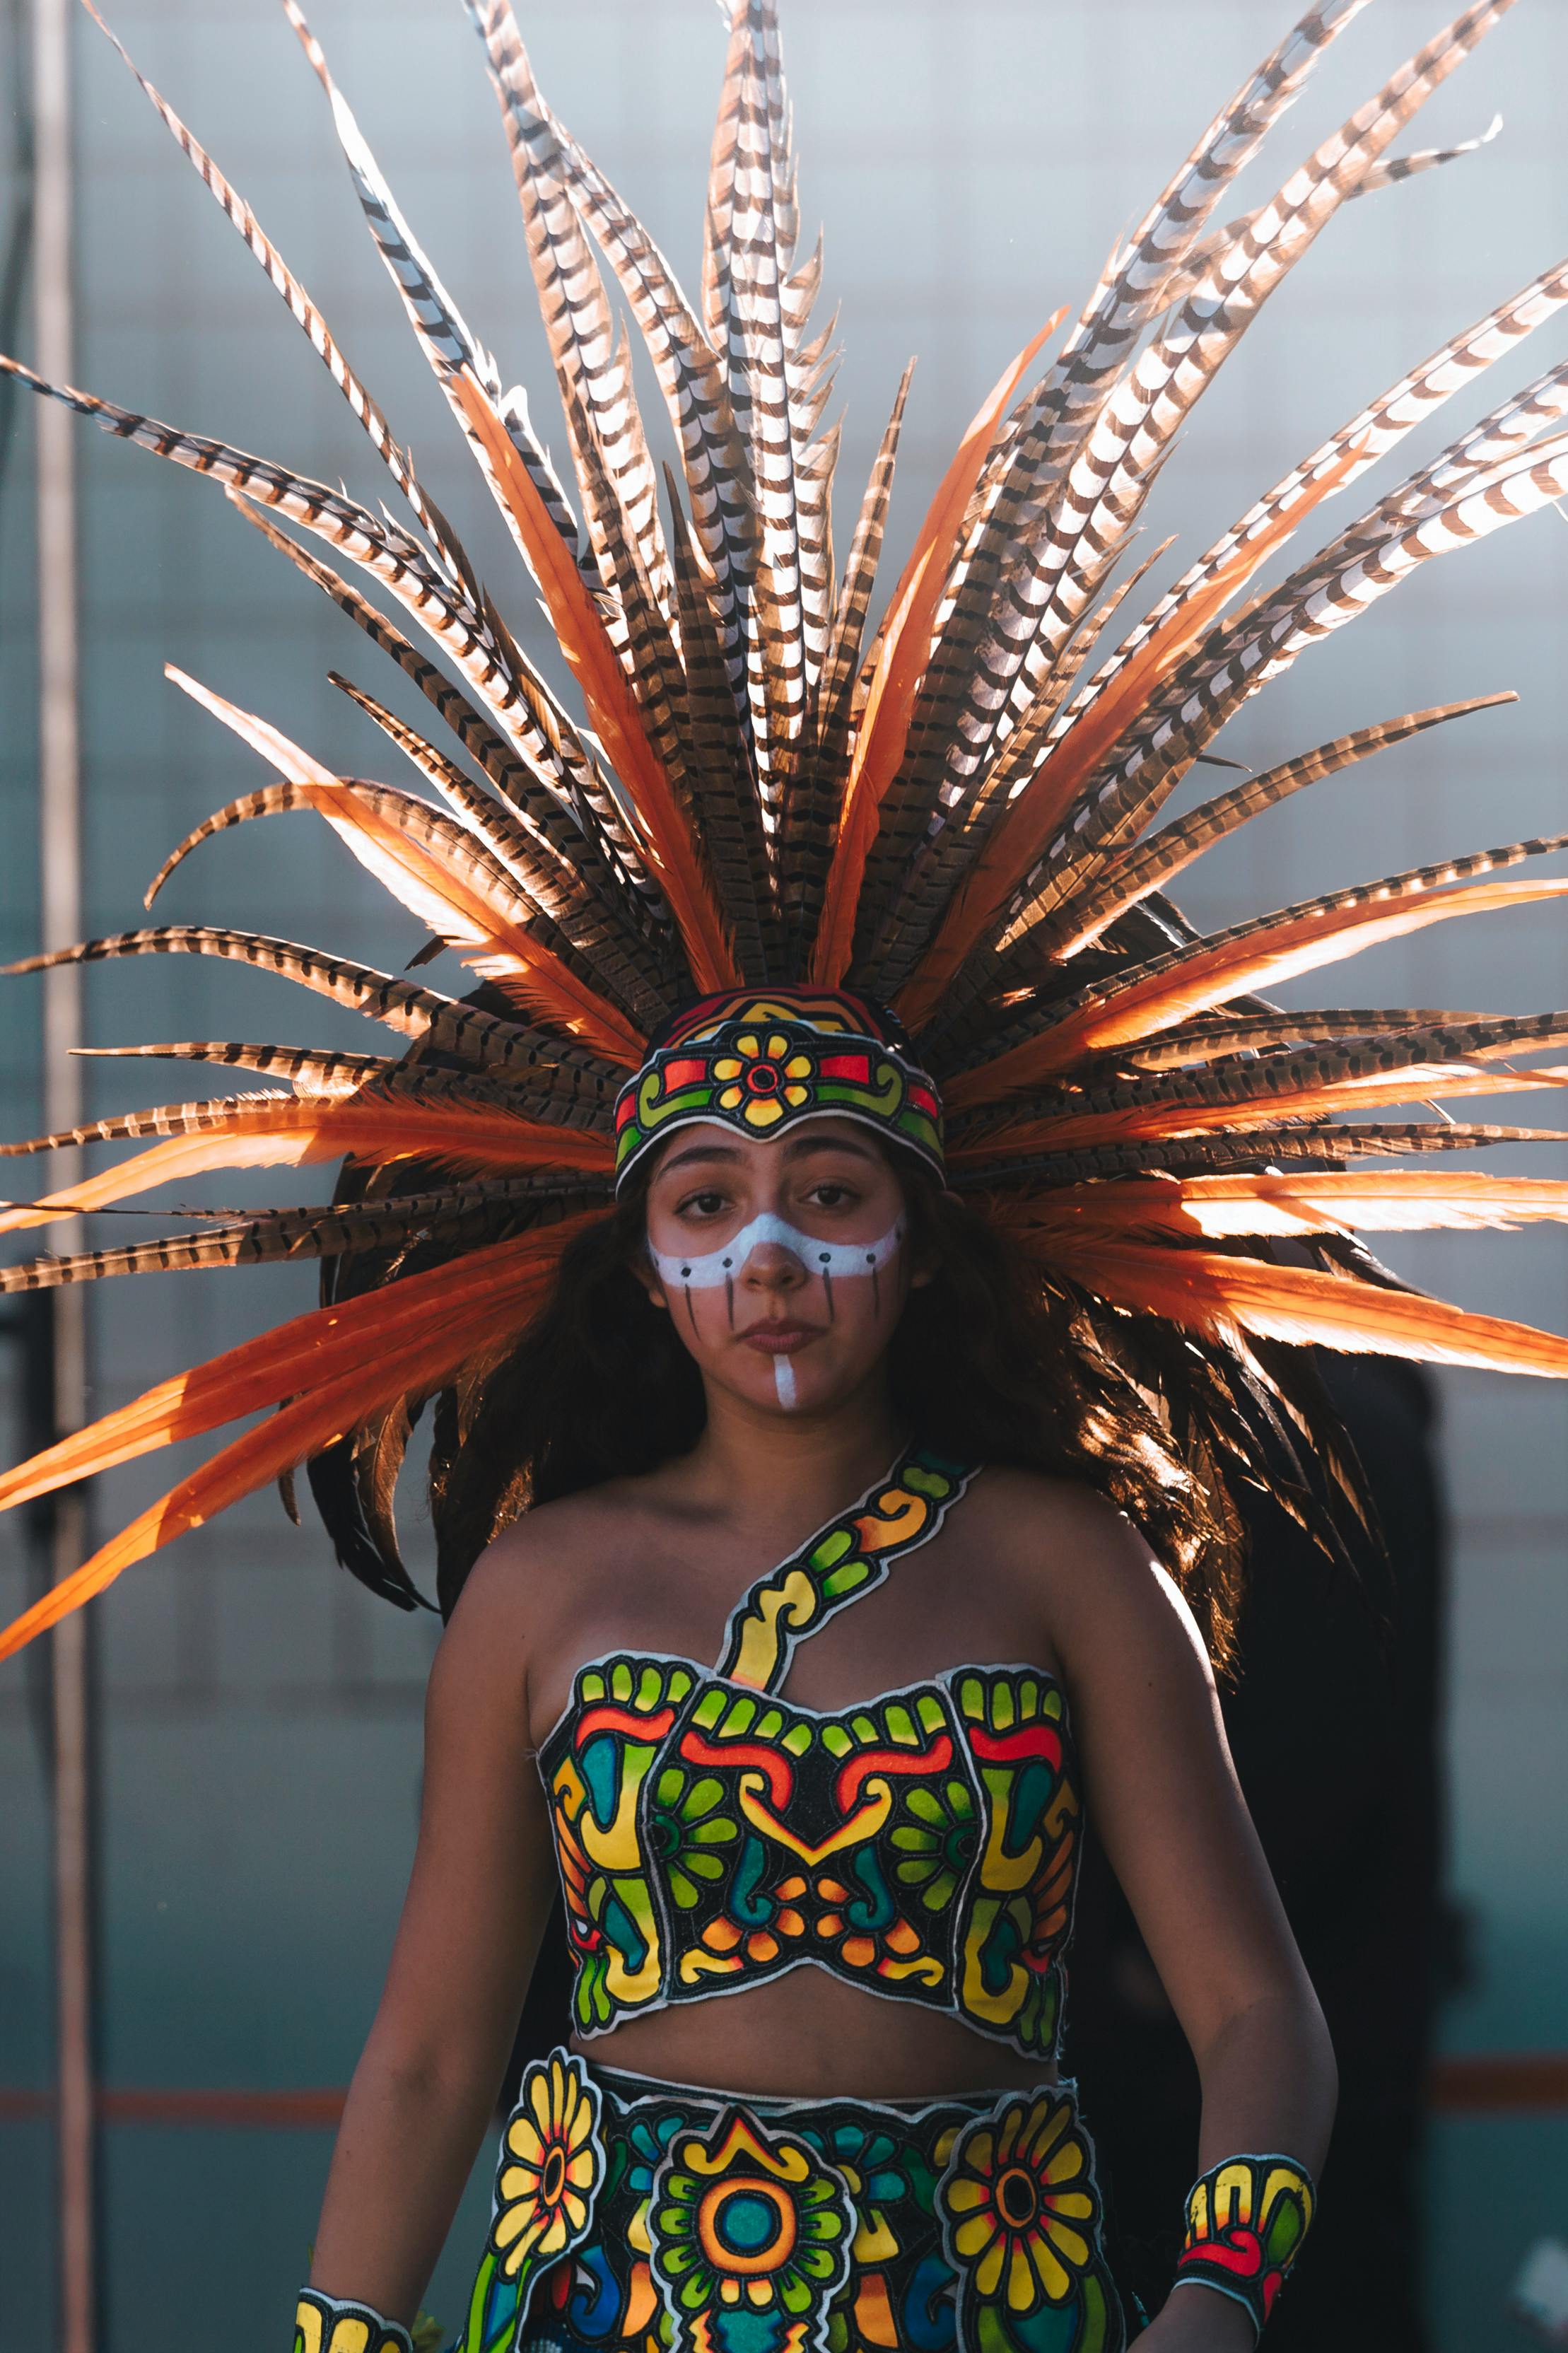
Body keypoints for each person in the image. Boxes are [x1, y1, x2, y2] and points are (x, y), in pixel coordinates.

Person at [1, 4, 1565, 2349]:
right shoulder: (544, 1591)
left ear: (918, 1231)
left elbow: (1261, 2017)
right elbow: (435, 2046)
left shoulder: (1070, 1567)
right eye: (704, 1197)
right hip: (600, 2299)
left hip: (991, 2299)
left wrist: (1215, 2305)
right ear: (636, 1258)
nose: (767, 1251)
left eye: (828, 1187)